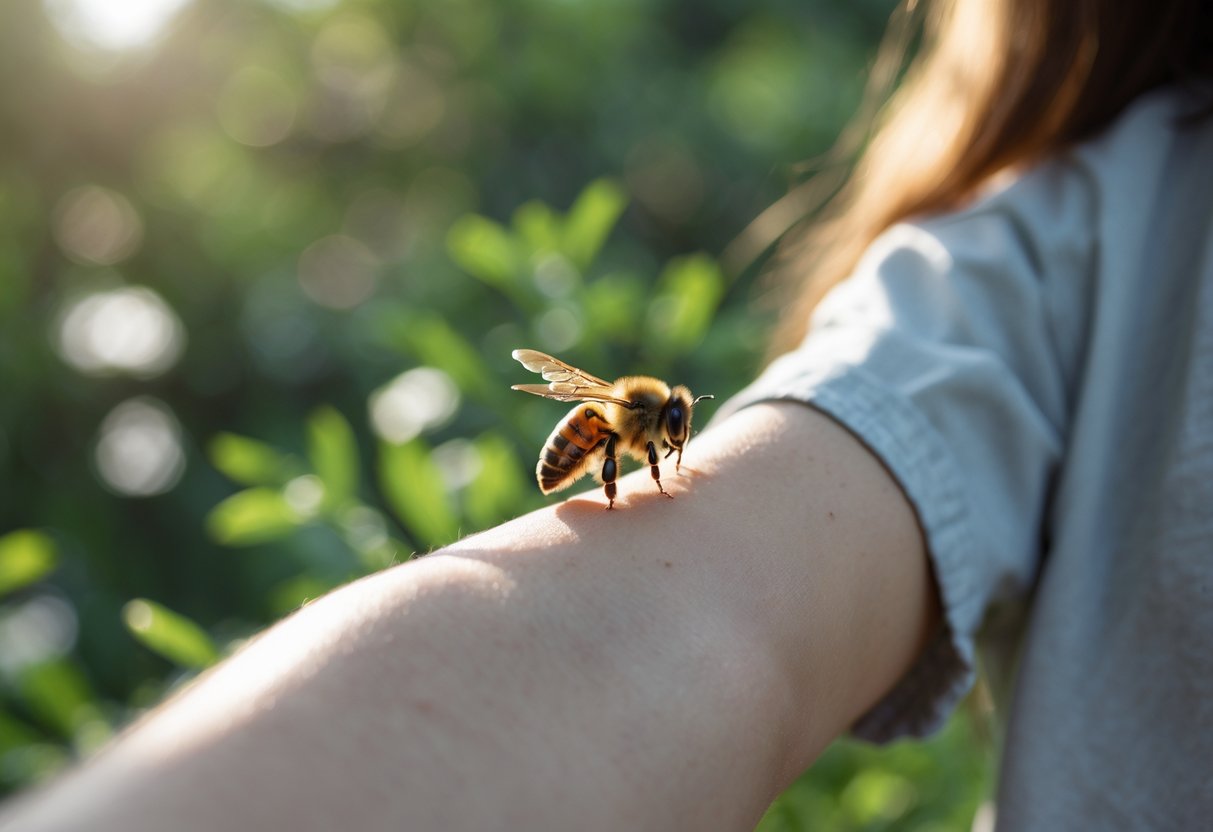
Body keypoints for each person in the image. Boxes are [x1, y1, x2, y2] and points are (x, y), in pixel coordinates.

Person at [3, 0, 1211, 829]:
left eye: (660, 433)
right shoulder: (1084, 239)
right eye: (665, 432)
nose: (670, 437)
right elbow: (684, 625)